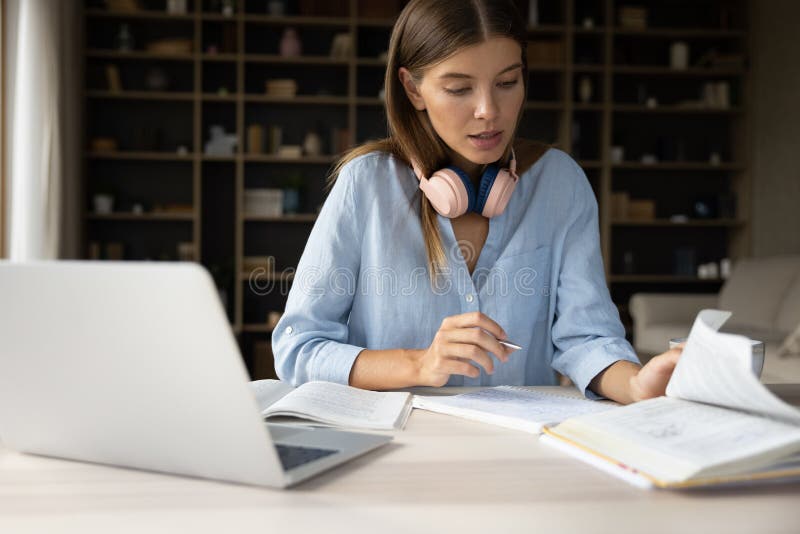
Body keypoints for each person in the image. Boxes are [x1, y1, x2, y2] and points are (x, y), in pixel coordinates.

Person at [272, 0, 682, 403]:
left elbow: (587, 338)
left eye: (507, 83)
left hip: (517, 448)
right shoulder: (365, 184)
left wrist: (635, 385)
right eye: (459, 88)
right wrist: (419, 364)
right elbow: (299, 347)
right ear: (413, 89)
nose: (489, 111)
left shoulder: (560, 183)